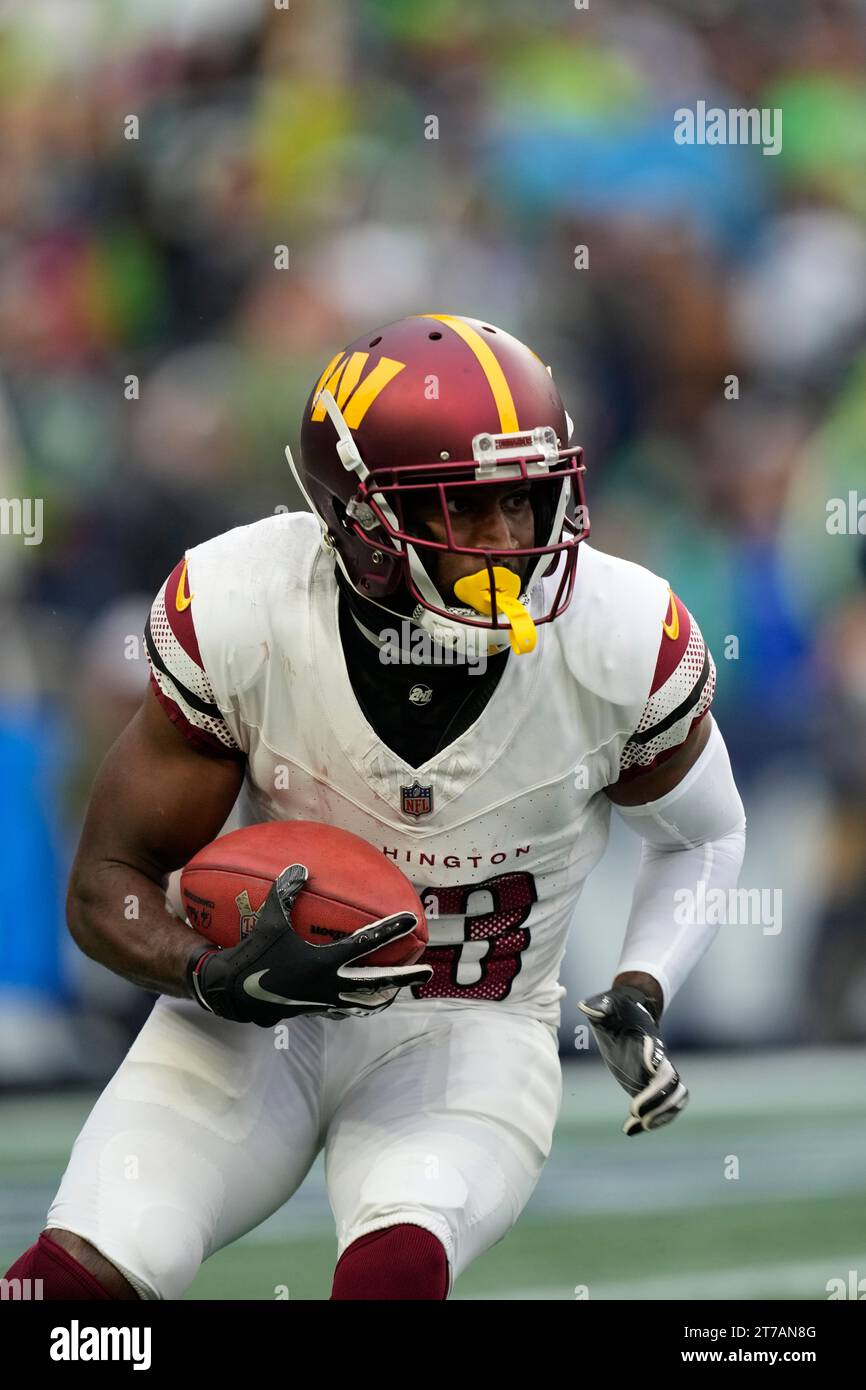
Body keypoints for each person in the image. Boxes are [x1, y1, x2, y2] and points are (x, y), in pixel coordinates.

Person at [5, 313, 746, 1301]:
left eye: (524, 503)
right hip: (254, 1021)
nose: (510, 543)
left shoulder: (617, 638)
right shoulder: (243, 609)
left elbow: (706, 835)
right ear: (359, 522)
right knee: (68, 1289)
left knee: (391, 1274)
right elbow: (107, 883)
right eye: (465, 512)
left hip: (465, 1031)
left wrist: (642, 984)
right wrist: (213, 971)